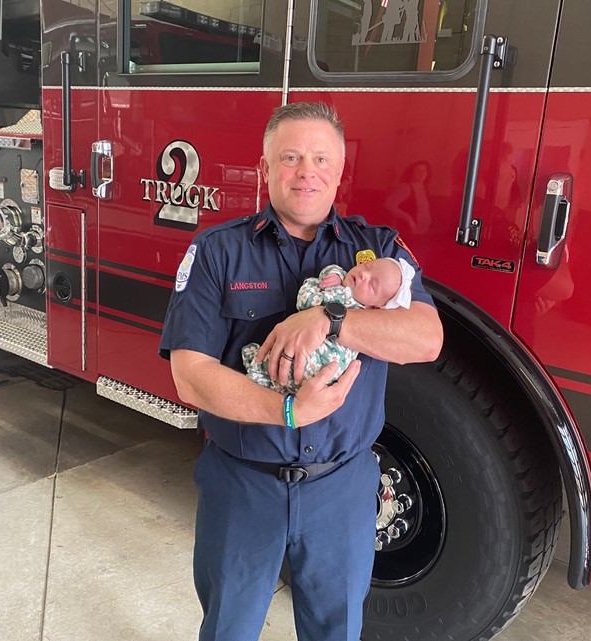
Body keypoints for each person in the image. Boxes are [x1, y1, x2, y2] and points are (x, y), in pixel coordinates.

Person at [158, 101, 444, 641]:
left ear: (339, 171)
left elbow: (427, 339)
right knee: (228, 631)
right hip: (243, 487)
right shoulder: (217, 251)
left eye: (320, 158)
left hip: (342, 490)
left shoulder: (378, 251)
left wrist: (329, 319)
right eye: (289, 157)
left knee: (336, 632)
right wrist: (284, 409)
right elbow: (189, 374)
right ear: (265, 168)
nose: (306, 171)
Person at [242, 256, 416, 394]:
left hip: (311, 370)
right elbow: (335, 271)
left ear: (377, 307)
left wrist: (316, 286)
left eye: (372, 285)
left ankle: (260, 369)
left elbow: (305, 301)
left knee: (275, 365)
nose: (364, 275)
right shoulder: (348, 288)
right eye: (368, 266)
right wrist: (335, 276)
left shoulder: (344, 298)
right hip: (314, 380)